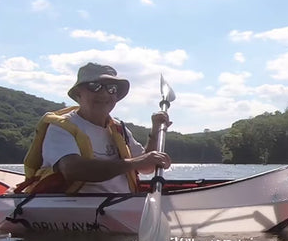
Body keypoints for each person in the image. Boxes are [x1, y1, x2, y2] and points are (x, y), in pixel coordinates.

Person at [16, 63, 172, 194]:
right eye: (95, 86)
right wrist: (134, 163)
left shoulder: (118, 129)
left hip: (120, 204)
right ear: (78, 94)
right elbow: (74, 170)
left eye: (111, 88)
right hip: (75, 209)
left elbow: (147, 167)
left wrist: (156, 129)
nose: (104, 93)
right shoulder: (61, 127)